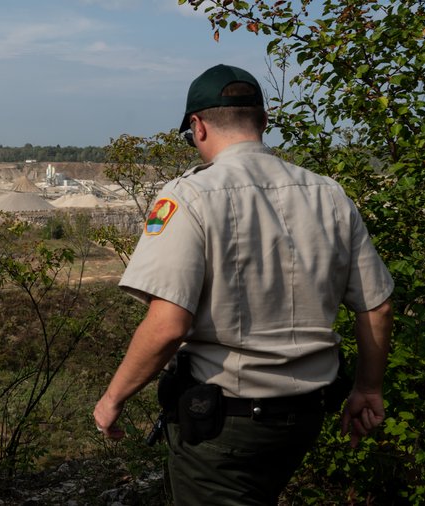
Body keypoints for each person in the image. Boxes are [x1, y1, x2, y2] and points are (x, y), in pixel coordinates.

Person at [93, 64, 394, 505]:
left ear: (197, 127)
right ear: (263, 121)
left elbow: (168, 324)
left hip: (225, 423)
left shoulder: (189, 196)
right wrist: (368, 388)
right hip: (306, 415)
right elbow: (377, 306)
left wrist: (113, 397)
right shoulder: (329, 194)